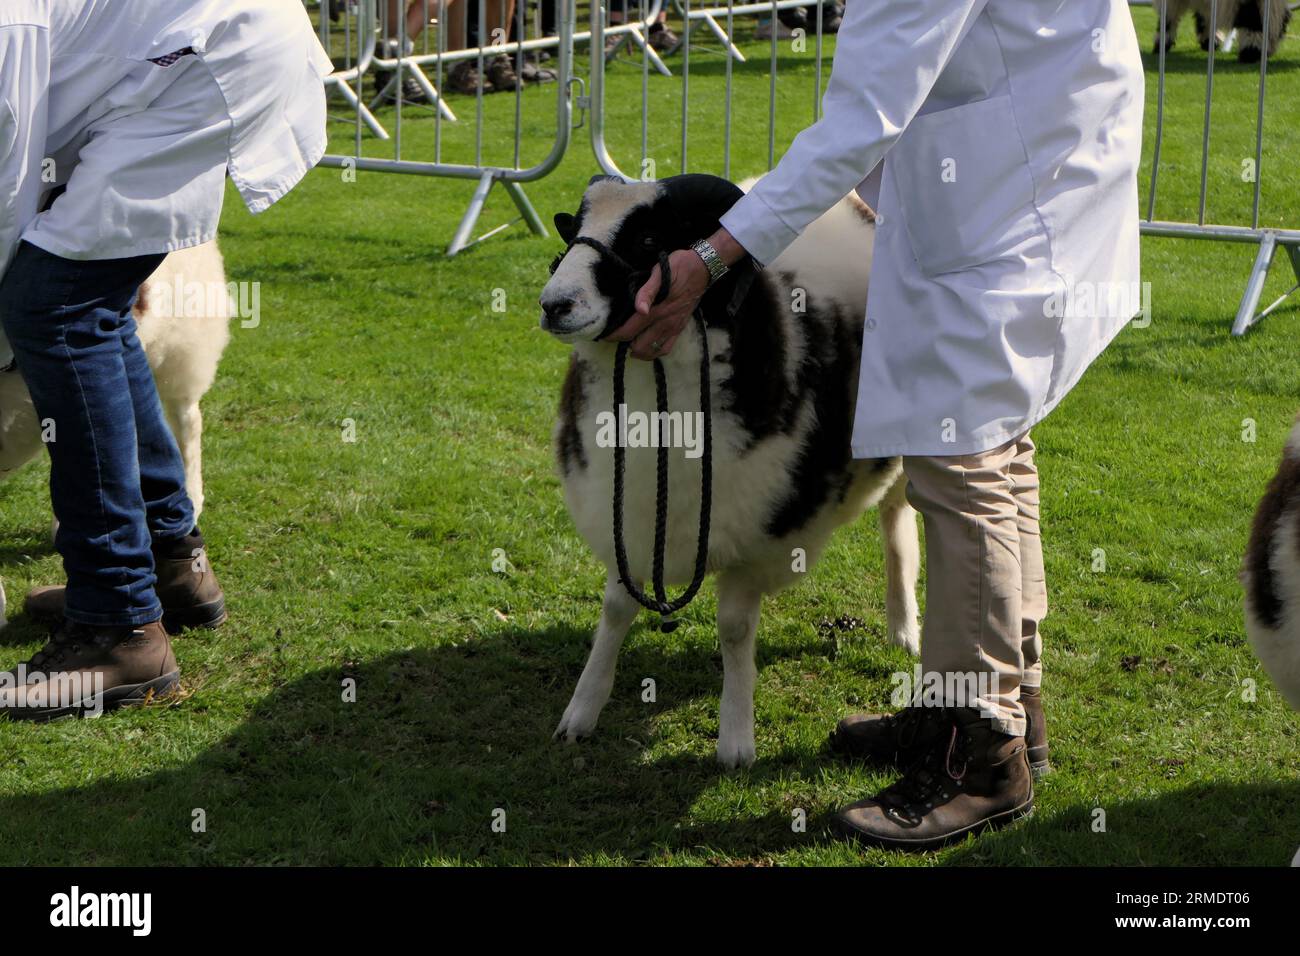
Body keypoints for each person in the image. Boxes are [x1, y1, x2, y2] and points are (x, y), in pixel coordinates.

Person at [612, 0, 1144, 850]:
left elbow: (863, 117)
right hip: (1019, 159)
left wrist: (711, 256)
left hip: (1012, 187)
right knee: (995, 442)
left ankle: (980, 747)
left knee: (960, 458)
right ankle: (1004, 700)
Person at [0, 0, 332, 720]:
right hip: (196, 55)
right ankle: (168, 565)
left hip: (204, 57)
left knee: (51, 303)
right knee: (86, 297)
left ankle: (119, 627)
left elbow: (9, 176)